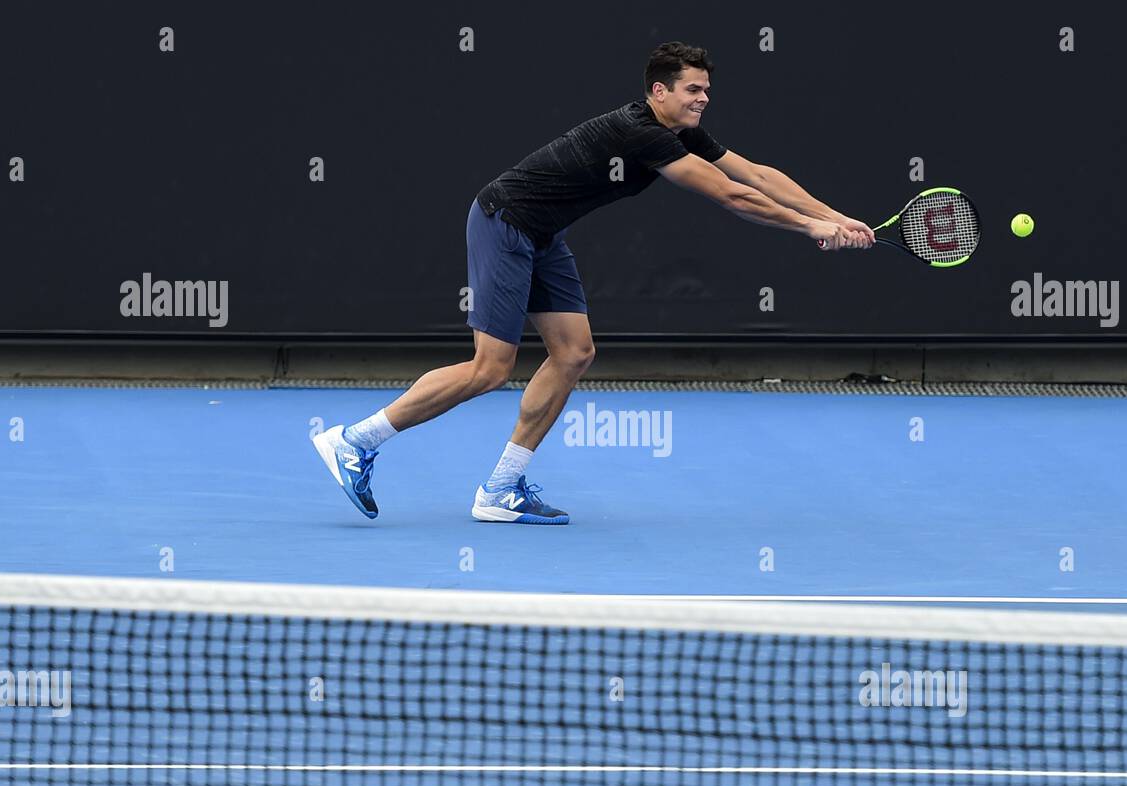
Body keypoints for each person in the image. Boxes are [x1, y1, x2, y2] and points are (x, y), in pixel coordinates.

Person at [313, 41, 873, 524]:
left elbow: (755, 175)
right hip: (504, 221)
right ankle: (355, 442)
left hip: (543, 234)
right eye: (693, 90)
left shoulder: (682, 132)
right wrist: (809, 228)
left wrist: (834, 218)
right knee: (491, 368)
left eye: (706, 90)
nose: (704, 99)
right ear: (660, 91)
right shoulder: (642, 133)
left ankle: (502, 488)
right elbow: (732, 196)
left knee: (574, 352)